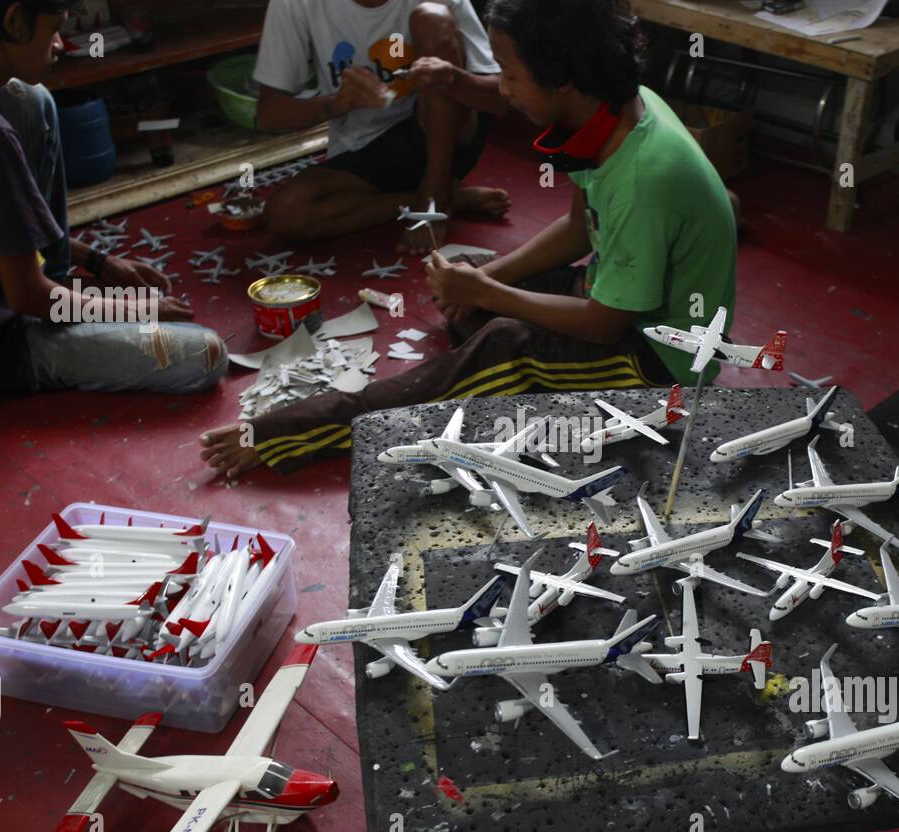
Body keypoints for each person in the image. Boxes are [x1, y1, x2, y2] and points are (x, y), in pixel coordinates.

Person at [199, 0, 737, 477]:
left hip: (658, 361)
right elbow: (578, 229)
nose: (500, 89)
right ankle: (516, 387)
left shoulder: (643, 175)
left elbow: (604, 323)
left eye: (509, 74)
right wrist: (483, 281)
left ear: (562, 78)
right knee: (475, 304)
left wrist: (489, 295)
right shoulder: (614, 107)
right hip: (614, 299)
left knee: (501, 345)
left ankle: (290, 433)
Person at [0, 1, 227, 404]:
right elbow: (29, 298)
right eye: (53, 28)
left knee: (28, 98)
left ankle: (59, 276)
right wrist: (134, 310)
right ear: (14, 20)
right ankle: (58, 316)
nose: (59, 44)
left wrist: (98, 262)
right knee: (207, 353)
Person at [255, 0, 512, 255]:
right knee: (286, 213)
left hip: (446, 136)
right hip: (368, 147)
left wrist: (452, 78)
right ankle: (439, 198)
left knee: (431, 16)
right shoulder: (295, 4)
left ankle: (436, 195)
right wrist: (336, 104)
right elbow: (269, 115)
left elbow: (501, 99)